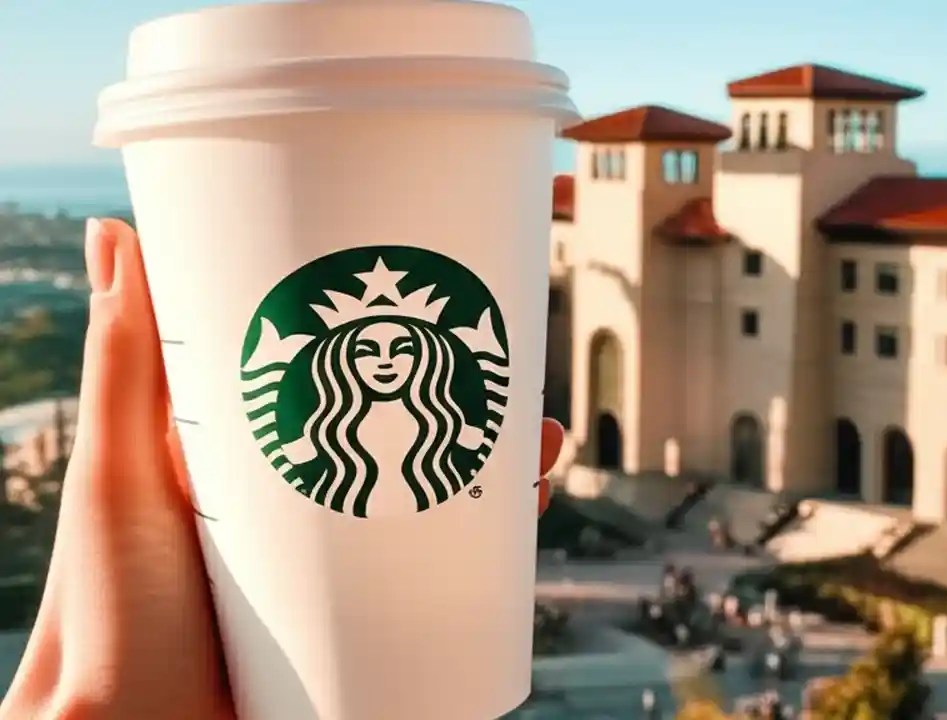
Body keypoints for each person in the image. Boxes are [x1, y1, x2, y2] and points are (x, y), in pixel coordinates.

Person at [0, 219, 565, 719]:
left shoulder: (454, 434)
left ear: (429, 355)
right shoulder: (318, 444)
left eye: (404, 349)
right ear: (339, 360)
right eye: (368, 351)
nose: (388, 362)